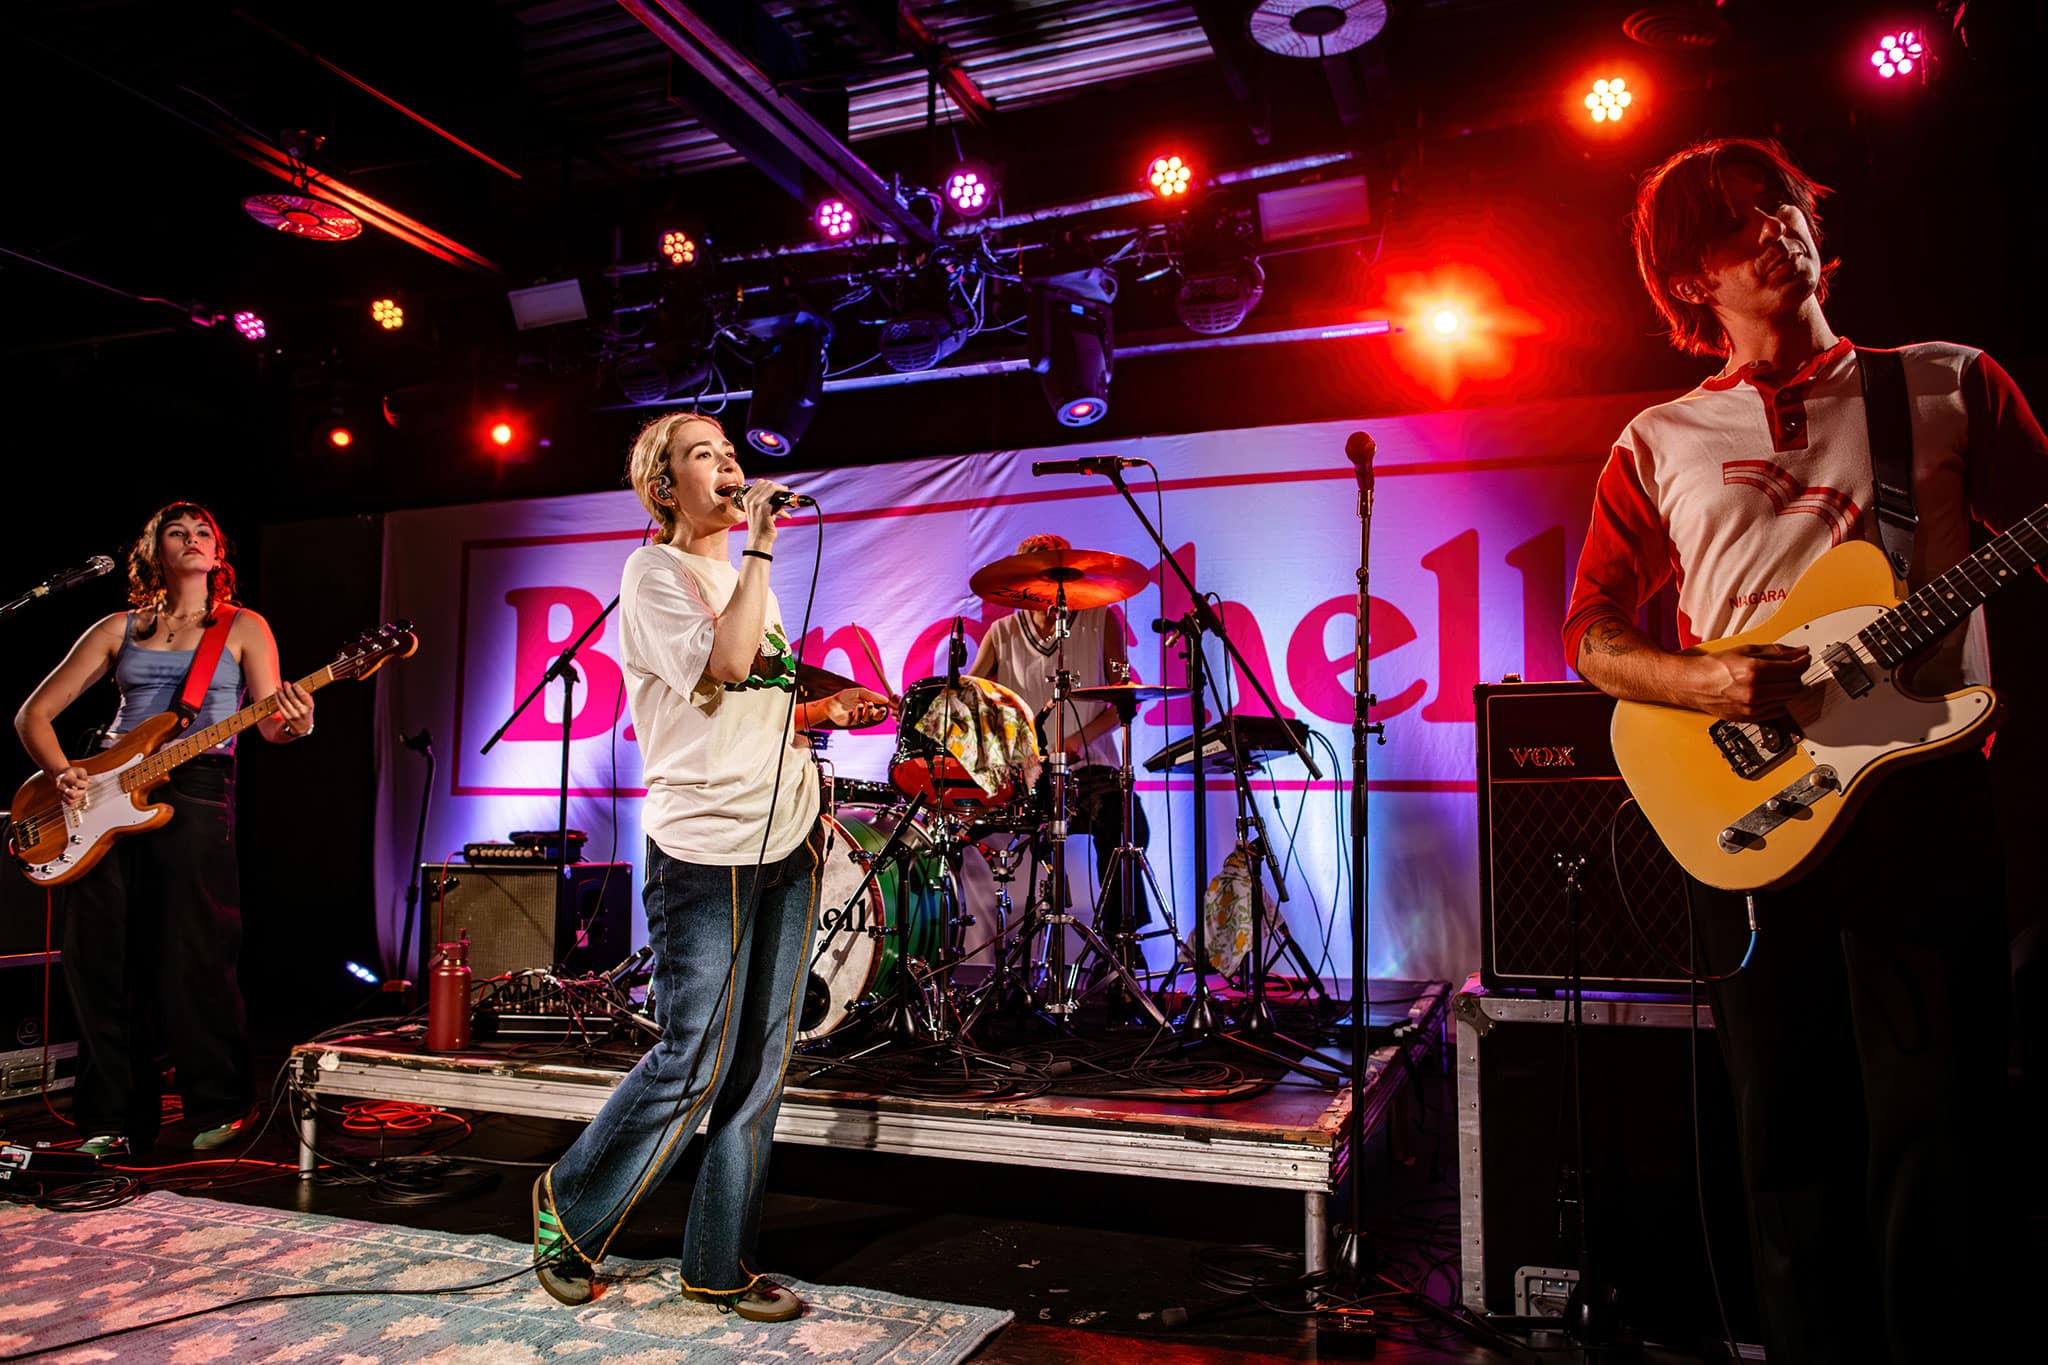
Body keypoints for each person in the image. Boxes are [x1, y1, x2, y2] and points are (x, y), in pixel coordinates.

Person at [1562, 138, 2046, 1362]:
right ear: (1688, 284)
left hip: (1920, 797)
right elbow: (1590, 635)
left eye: (1776, 205)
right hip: (1750, 807)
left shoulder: (1947, 379)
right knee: (1781, 1133)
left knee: (1940, 1129)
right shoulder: (1656, 437)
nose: (1768, 229)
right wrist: (1705, 676)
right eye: (1729, 227)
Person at [532, 411, 890, 1320]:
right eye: (706, 454)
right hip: (704, 847)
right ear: (665, 487)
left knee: (761, 1065)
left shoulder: (739, 581)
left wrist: (825, 708)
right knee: (694, 1055)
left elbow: (747, 705)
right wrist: (765, 545)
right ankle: (567, 1206)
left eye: (732, 451)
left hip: (788, 833)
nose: (730, 464)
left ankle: (718, 1259)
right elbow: (727, 666)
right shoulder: (653, 573)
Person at [13, 503, 316, 1157]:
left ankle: (222, 1102)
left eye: (202, 531)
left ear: (218, 551)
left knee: (195, 949)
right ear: (154, 550)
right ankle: (112, 1117)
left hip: (199, 786)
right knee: (97, 956)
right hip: (101, 794)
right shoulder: (116, 627)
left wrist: (298, 719)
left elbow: (269, 722)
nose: (191, 539)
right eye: (176, 531)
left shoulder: (244, 626)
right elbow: (33, 715)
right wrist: (64, 771)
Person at [967, 533, 1151, 942]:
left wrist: (1076, 740)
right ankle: (964, 953)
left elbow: (1125, 699)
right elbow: (971, 696)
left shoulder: (1102, 618)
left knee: (1123, 820)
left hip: (1090, 770)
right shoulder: (1001, 631)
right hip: (1029, 776)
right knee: (948, 831)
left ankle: (1123, 939)